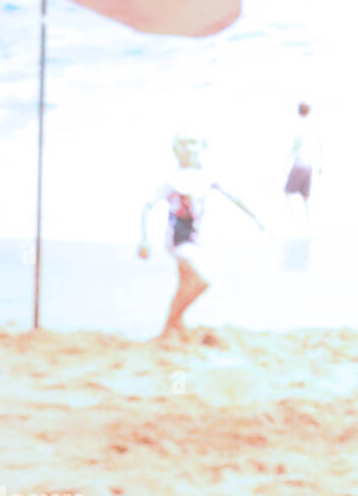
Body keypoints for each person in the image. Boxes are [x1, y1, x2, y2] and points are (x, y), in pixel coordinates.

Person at [138, 131, 264, 337]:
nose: (190, 148)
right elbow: (147, 207)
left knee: (185, 283)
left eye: (194, 143)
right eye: (185, 144)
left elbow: (235, 197)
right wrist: (144, 239)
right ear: (177, 149)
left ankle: (173, 328)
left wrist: (257, 219)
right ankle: (172, 322)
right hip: (178, 241)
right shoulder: (172, 180)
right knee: (203, 280)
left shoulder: (207, 177)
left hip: (194, 240)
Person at [283, 102, 322, 222]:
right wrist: (320, 165)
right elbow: (319, 146)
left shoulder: (300, 126)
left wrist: (286, 160)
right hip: (309, 165)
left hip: (300, 164)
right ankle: (308, 219)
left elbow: (296, 145)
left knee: (288, 192)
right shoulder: (313, 126)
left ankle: (293, 218)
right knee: (305, 195)